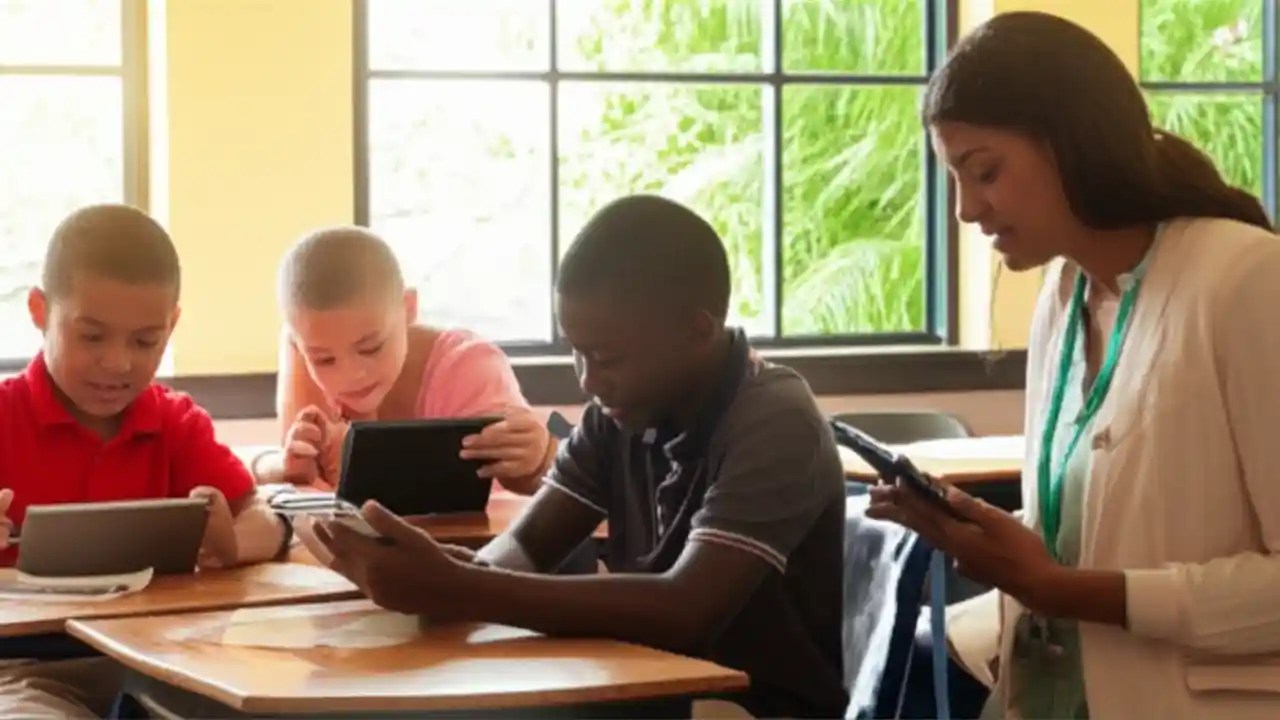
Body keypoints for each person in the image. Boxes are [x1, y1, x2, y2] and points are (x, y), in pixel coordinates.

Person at [867, 11, 1280, 720]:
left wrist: (1066, 590)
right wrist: (987, 535)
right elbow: (1104, 524)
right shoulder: (1065, 292)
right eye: (955, 180)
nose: (966, 210)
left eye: (985, 171)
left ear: (1072, 142)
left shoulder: (1246, 280)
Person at [305, 195, 849, 718]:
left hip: (747, 704)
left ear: (696, 331)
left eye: (606, 357)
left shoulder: (774, 420)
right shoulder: (620, 407)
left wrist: (461, 588)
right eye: (576, 351)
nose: (589, 379)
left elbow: (687, 610)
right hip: (643, 680)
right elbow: (529, 546)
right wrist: (442, 573)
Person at [0, 204, 292, 718]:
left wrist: (236, 542)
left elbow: (266, 514)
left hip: (170, 659)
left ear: (172, 325)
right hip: (25, 671)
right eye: (91, 336)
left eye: (145, 341)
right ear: (40, 312)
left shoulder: (176, 423)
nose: (118, 363)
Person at [250, 226, 552, 495]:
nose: (350, 375)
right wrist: (285, 464)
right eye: (324, 360)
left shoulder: (467, 368)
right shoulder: (306, 344)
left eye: (371, 348)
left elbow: (528, 488)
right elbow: (299, 479)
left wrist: (539, 459)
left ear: (408, 308)